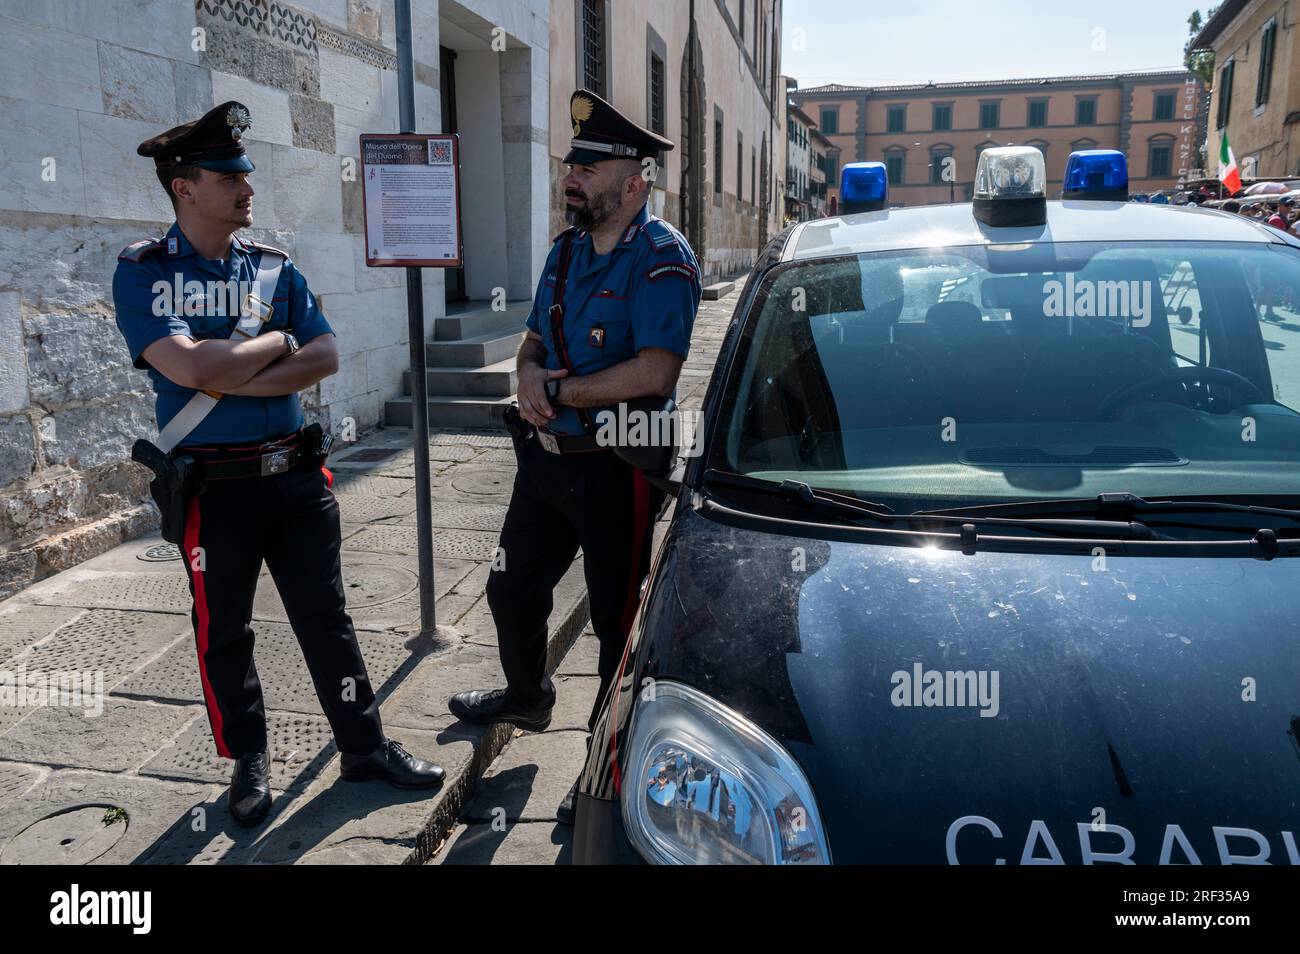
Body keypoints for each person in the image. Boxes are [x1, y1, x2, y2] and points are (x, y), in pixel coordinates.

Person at [112, 101, 444, 827]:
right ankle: (248, 759)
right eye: (227, 174)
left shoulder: (273, 270)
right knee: (224, 629)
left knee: (328, 620)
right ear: (184, 187)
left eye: (246, 172)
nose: (245, 184)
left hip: (295, 479)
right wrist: (271, 347)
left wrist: (229, 371)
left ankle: (365, 745)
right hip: (215, 491)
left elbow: (322, 355)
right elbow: (190, 363)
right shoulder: (144, 273)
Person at [447, 90, 702, 825]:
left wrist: (566, 388)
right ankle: (528, 699)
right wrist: (528, 374)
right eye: (571, 162)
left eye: (590, 166)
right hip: (546, 464)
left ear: (634, 182)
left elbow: (656, 372)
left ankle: (602, 760)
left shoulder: (662, 260)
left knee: (618, 623)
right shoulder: (563, 252)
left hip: (615, 469)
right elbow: (532, 340)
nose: (573, 175)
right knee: (510, 589)